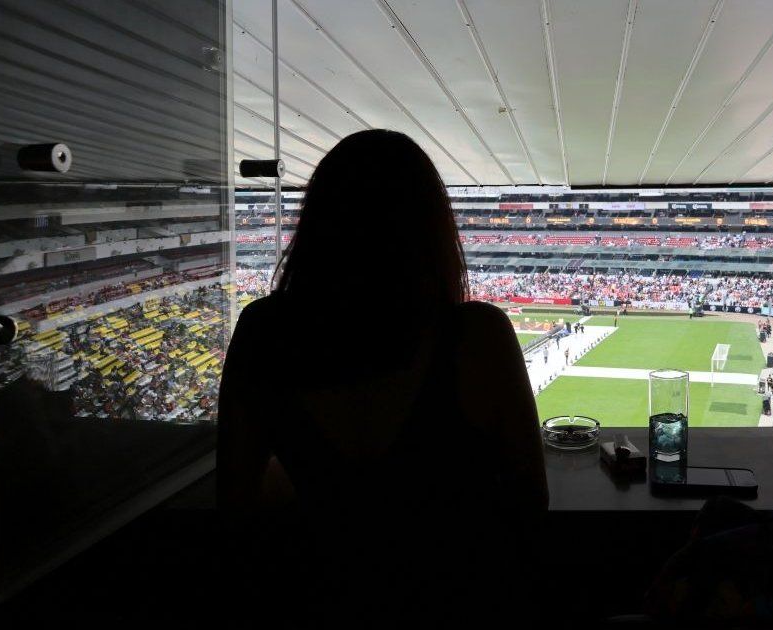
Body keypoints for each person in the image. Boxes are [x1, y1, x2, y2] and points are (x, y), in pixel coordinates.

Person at [217, 130, 548, 625]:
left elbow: (236, 499)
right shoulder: (477, 335)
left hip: (319, 602)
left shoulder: (264, 329)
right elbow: (529, 501)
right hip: (460, 604)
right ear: (430, 230)